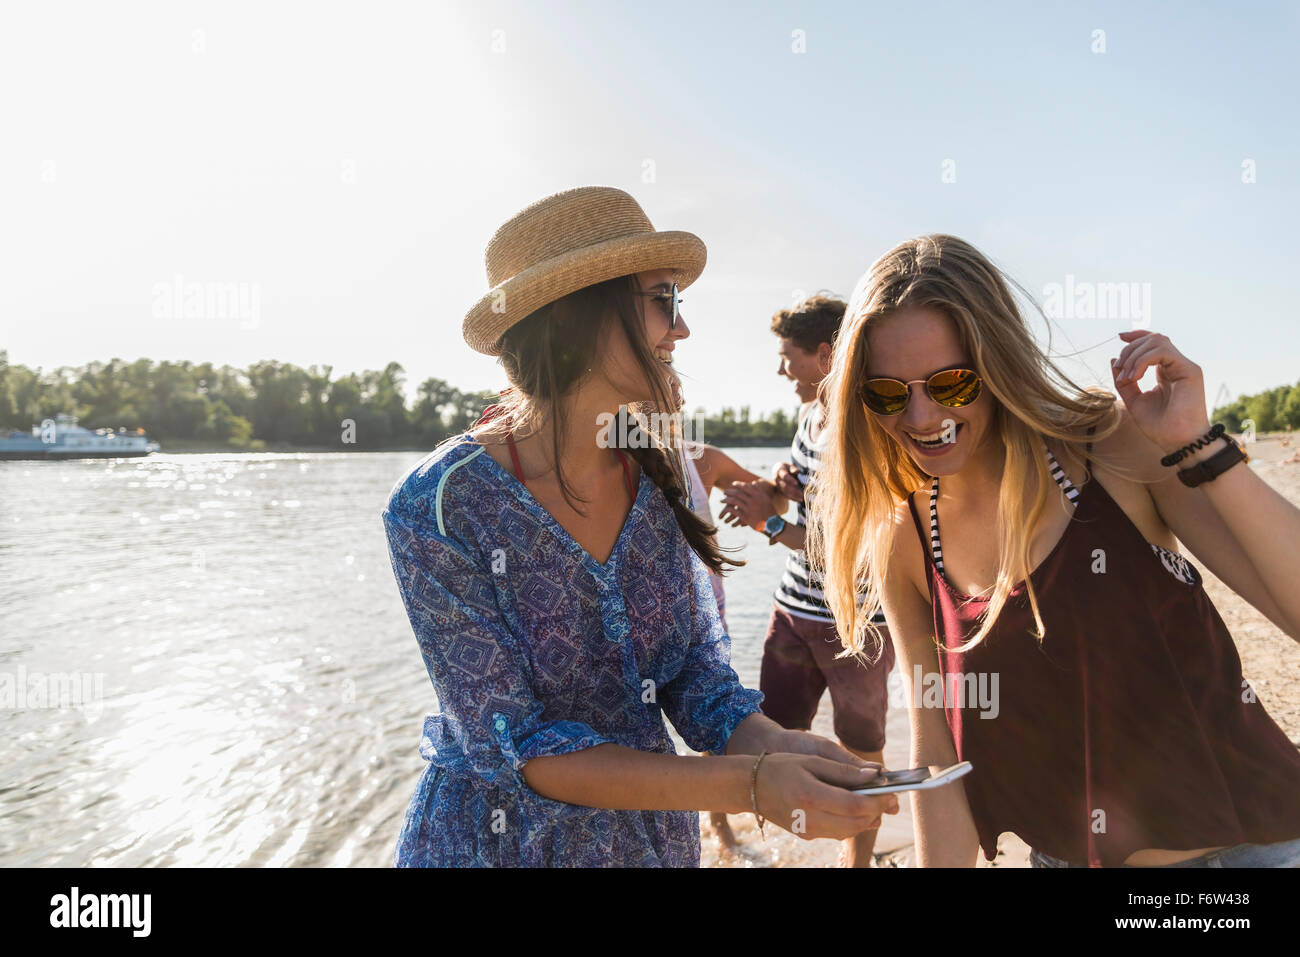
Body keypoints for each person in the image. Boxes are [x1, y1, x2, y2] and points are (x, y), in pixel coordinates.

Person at [381, 186, 898, 867]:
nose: (681, 329)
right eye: (665, 300)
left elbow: (696, 677)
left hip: (648, 845)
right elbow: (515, 740)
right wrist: (748, 783)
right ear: (578, 316)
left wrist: (778, 744)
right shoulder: (437, 505)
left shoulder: (668, 472)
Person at [811, 233, 1300, 867]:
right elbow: (936, 754)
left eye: (952, 384)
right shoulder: (903, 536)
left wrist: (1200, 445)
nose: (922, 415)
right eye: (888, 393)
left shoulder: (1110, 452)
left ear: (997, 365)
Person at [718, 295, 895, 868]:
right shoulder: (807, 417)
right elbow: (818, 507)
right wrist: (782, 486)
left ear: (824, 354)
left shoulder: (863, 428)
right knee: (768, 734)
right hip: (792, 612)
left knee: (862, 751)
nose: (780, 370)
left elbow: (858, 549)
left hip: (858, 625)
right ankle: (720, 836)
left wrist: (769, 523)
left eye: (786, 357)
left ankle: (857, 863)